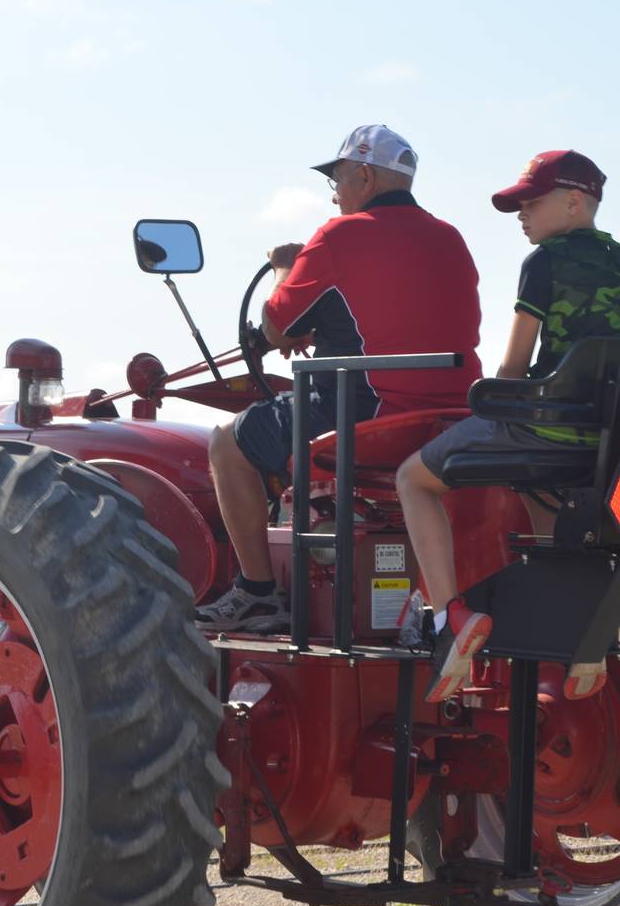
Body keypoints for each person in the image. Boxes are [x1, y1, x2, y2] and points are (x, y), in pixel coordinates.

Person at [197, 124, 484, 632]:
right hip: (448, 421)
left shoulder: (337, 236)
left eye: (339, 180)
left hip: (373, 418)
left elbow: (276, 325)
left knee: (227, 442)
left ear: (366, 176)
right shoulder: (451, 238)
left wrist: (286, 267)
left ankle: (257, 592)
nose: (335, 195)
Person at [396, 149, 620, 703]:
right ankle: (580, 632)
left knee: (413, 479)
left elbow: (513, 366)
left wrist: (491, 397)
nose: (521, 214)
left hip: (545, 427)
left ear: (575, 202)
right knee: (537, 489)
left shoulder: (546, 261)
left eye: (531, 202)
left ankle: (449, 618)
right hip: (605, 436)